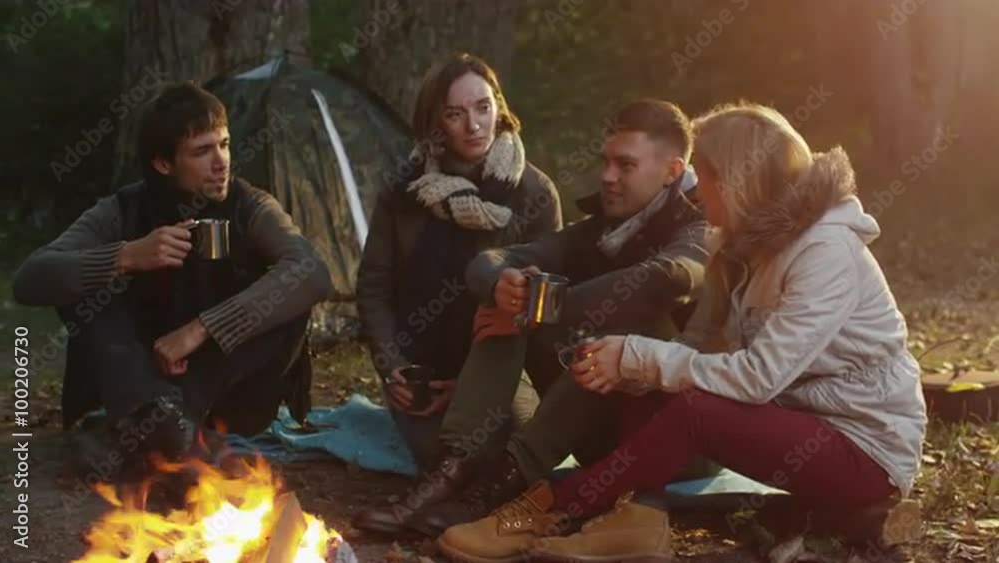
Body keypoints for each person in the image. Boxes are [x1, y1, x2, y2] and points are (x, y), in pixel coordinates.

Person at [437, 102, 929, 562]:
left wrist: (638, 356)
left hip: (866, 451)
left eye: (707, 178)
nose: (696, 191)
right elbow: (694, 348)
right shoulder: (741, 249)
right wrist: (633, 367)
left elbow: (760, 378)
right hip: (800, 426)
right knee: (654, 378)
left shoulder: (825, 252)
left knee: (690, 401)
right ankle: (639, 521)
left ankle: (546, 509)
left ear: (738, 182)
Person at [353, 99, 710, 536]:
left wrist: (541, 314)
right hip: (600, 429)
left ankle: (503, 484)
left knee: (612, 327)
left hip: (678, 443)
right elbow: (492, 261)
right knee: (512, 295)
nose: (607, 176)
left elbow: (663, 281)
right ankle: (454, 469)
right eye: (606, 162)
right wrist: (507, 286)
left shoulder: (703, 226)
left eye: (626, 165)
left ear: (672, 172)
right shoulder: (608, 228)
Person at [13, 82, 331, 479]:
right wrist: (127, 256)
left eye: (225, 144)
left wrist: (203, 329)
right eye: (202, 151)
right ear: (164, 163)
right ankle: (163, 425)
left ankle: (164, 432)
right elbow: (30, 278)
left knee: (289, 297)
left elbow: (313, 272)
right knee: (81, 284)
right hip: (142, 380)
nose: (222, 162)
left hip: (222, 392)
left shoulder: (250, 205)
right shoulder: (123, 210)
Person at [356, 53, 563, 473]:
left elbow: (550, 304)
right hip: (420, 367)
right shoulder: (404, 192)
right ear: (435, 121)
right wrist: (392, 367)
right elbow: (374, 287)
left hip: (501, 369)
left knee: (503, 457)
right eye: (456, 114)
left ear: (499, 110)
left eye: (483, 108)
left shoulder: (534, 192)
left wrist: (472, 387)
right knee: (437, 458)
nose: (474, 125)